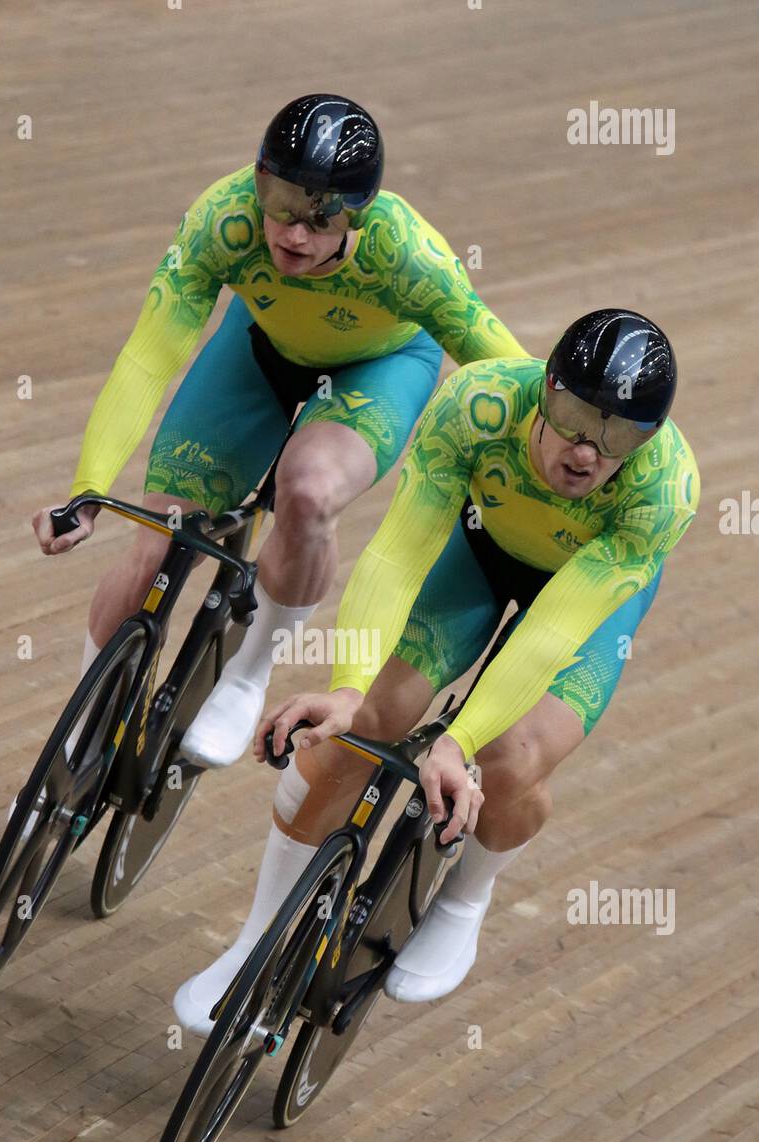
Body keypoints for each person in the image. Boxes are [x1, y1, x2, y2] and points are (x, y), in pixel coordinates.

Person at [174, 308, 699, 1033]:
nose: (589, 450)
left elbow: (554, 631)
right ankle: (253, 946)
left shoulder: (662, 487)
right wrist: (348, 686)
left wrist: (460, 741)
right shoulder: (478, 405)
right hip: (479, 556)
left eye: (620, 435)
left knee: (510, 757)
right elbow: (399, 554)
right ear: (546, 390)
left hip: (584, 603)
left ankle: (463, 898)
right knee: (357, 733)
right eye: (576, 416)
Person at [31, 93, 527, 772]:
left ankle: (247, 672)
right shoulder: (225, 218)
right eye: (281, 203)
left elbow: (515, 380)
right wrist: (89, 486)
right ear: (258, 181)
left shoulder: (410, 256)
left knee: (309, 492)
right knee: (158, 535)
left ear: (360, 213)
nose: (295, 233)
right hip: (260, 349)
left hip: (376, 369)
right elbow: (151, 354)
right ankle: (76, 743)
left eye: (322, 217)